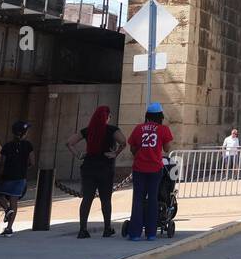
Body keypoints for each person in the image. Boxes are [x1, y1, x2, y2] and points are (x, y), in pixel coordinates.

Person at [66, 105, 126, 239]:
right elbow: (123, 141)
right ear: (107, 117)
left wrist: (79, 155)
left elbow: (69, 143)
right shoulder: (112, 130)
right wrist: (115, 153)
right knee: (106, 199)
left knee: (87, 199)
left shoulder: (87, 131)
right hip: (105, 167)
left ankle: (82, 230)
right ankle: (107, 229)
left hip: (88, 167)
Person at [127, 103, 174, 242]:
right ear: (160, 116)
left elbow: (132, 148)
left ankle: (135, 233)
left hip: (139, 168)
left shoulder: (138, 128)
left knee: (138, 199)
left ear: (147, 116)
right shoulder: (163, 129)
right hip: (155, 168)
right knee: (153, 199)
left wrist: (141, 153)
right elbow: (167, 148)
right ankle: (151, 233)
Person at [0, 121, 33, 237]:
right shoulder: (28, 146)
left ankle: (6, 210)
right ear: (24, 133)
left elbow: (2, 162)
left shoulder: (7, 146)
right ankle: (9, 228)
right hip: (20, 177)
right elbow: (32, 161)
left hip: (7, 176)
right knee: (14, 201)